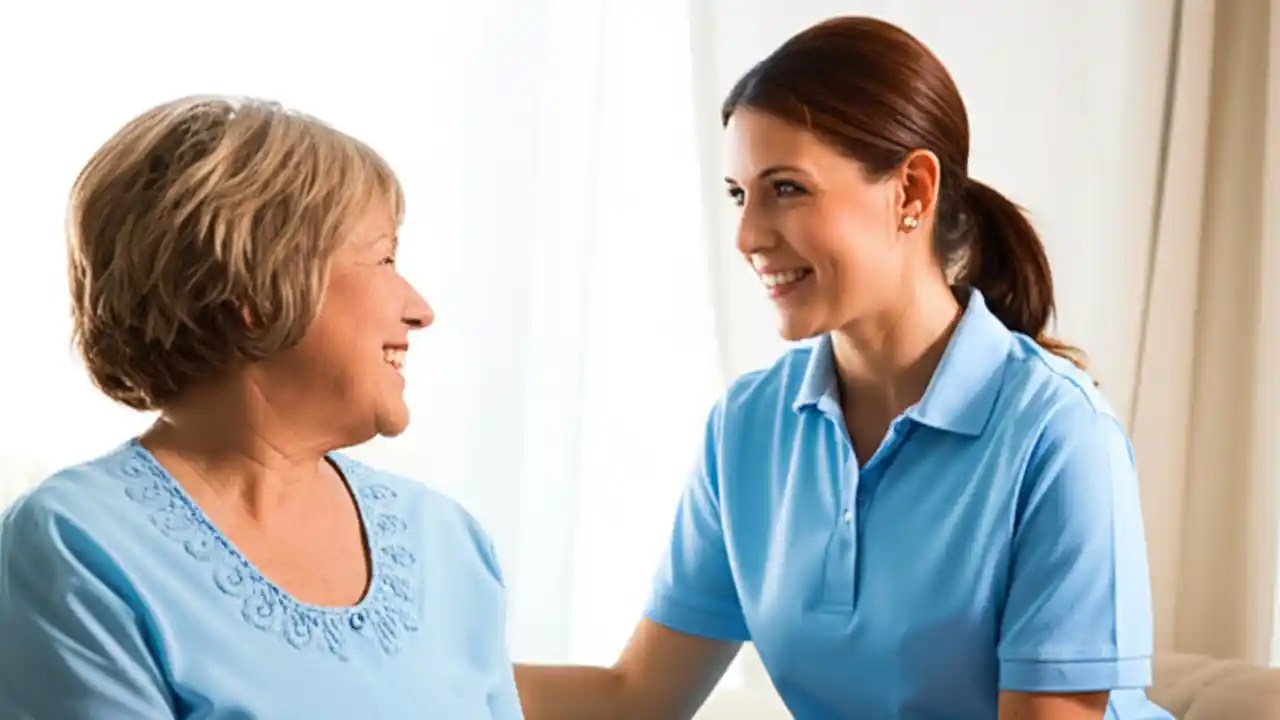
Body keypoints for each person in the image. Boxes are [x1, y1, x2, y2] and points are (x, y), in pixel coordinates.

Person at [516, 16, 1172, 720]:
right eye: (739, 194)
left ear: (912, 192)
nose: (747, 236)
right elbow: (636, 697)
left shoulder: (1060, 435)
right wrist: (416, 670)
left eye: (787, 189)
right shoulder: (748, 428)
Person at [0, 96, 523, 718]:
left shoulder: (449, 543)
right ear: (256, 287)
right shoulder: (78, 542)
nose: (419, 309)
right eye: (384, 259)